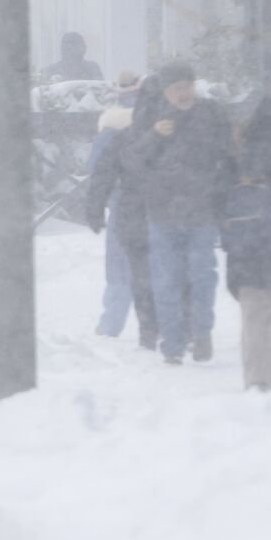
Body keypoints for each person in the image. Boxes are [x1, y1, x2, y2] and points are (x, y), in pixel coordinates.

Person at [122, 60, 235, 365]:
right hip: (162, 214)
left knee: (202, 276)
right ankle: (172, 344)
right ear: (165, 91)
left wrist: (219, 192)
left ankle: (201, 334)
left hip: (201, 211)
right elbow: (131, 160)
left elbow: (228, 154)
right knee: (167, 280)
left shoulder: (211, 113)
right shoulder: (151, 115)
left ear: (194, 85)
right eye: (175, 89)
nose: (182, 94)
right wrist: (155, 135)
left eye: (186, 86)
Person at [220, 98, 271, 390]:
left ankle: (256, 379)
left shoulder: (239, 154)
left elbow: (220, 199)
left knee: (253, 317)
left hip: (244, 251)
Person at [84, 71, 158, 349]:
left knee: (118, 267)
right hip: (160, 204)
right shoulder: (160, 119)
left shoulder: (111, 126)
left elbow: (96, 168)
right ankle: (161, 320)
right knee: (157, 264)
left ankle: (112, 322)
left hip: (123, 203)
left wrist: (97, 203)